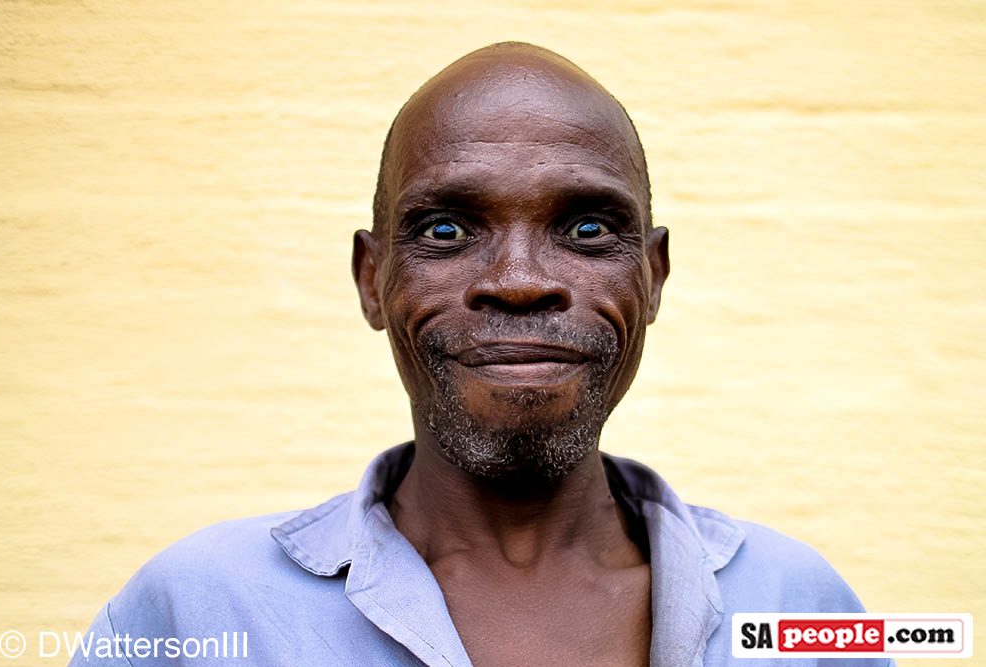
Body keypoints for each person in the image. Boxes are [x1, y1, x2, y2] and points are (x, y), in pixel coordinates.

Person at [73, 42, 891, 666]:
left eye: (586, 227)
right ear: (372, 280)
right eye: (445, 230)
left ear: (653, 276)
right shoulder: (194, 612)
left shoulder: (801, 611)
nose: (520, 282)